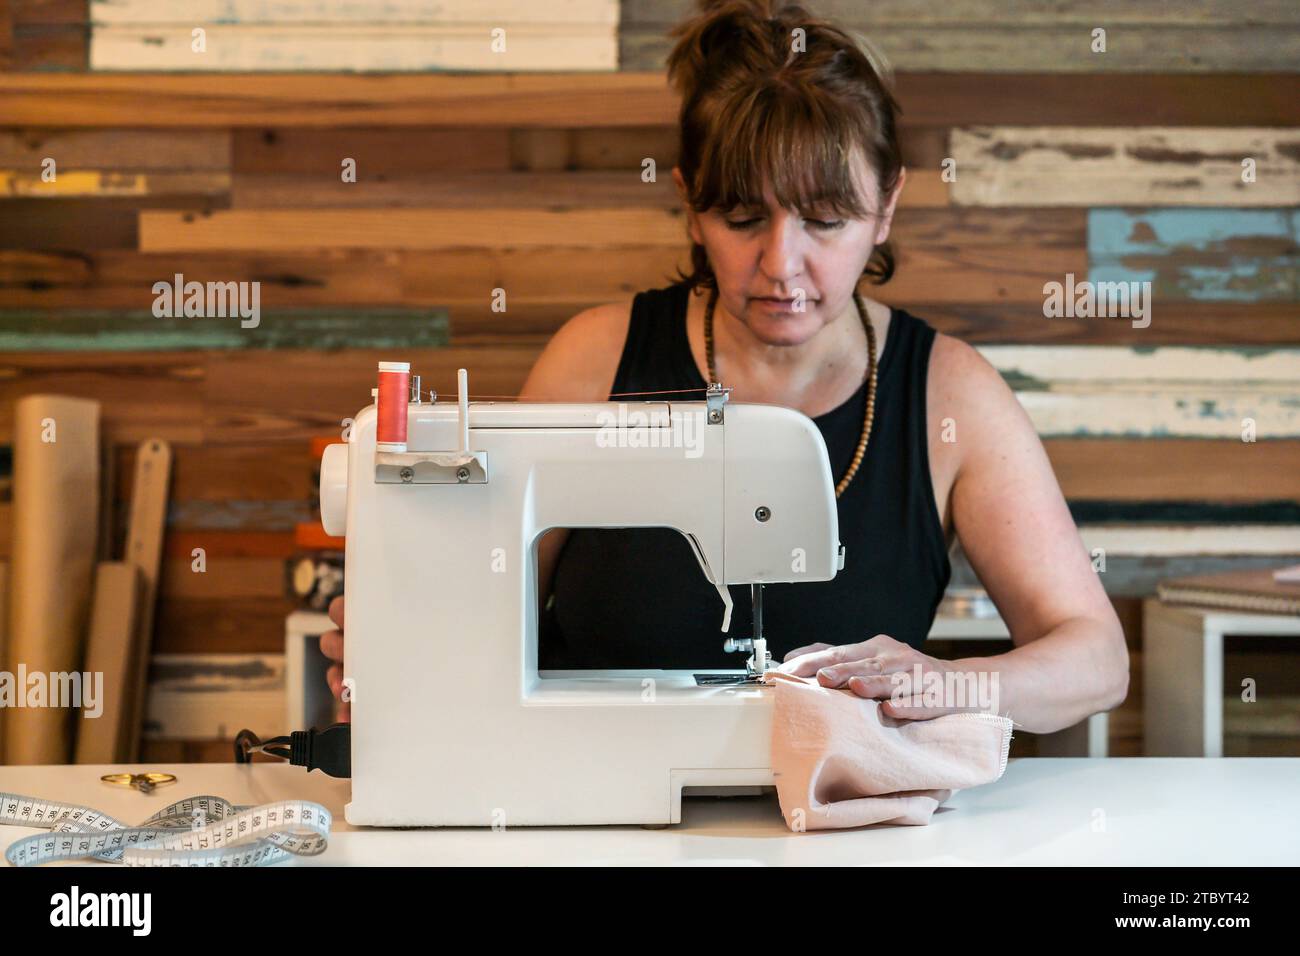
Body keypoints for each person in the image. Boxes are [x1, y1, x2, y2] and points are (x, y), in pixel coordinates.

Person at [321, 0, 1128, 732]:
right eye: (741, 217)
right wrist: (401, 648)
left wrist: (956, 686)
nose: (782, 264)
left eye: (824, 220)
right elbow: (485, 611)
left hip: (846, 833)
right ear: (688, 202)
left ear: (886, 206)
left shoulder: (949, 397)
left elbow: (1094, 658)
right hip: (594, 818)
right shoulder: (596, 361)